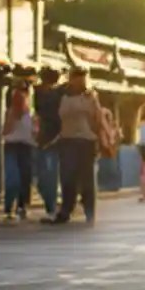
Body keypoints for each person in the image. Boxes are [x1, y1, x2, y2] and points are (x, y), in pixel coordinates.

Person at [45, 67, 104, 225]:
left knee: (87, 178)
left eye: (82, 77)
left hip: (86, 140)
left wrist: (101, 138)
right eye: (76, 77)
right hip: (67, 139)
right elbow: (52, 117)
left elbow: (98, 119)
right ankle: (66, 210)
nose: (79, 81)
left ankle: (89, 210)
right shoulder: (61, 95)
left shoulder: (91, 97)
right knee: (67, 176)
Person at [2, 79, 36, 221]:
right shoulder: (10, 113)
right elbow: (5, 131)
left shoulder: (32, 115)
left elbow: (35, 133)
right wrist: (13, 116)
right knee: (12, 177)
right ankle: (9, 206)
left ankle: (22, 205)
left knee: (25, 177)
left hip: (26, 146)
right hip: (12, 146)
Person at [33, 68, 65, 219]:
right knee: (42, 176)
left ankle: (51, 206)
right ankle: (50, 203)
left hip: (55, 139)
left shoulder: (59, 95)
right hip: (42, 138)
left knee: (49, 174)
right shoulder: (38, 94)